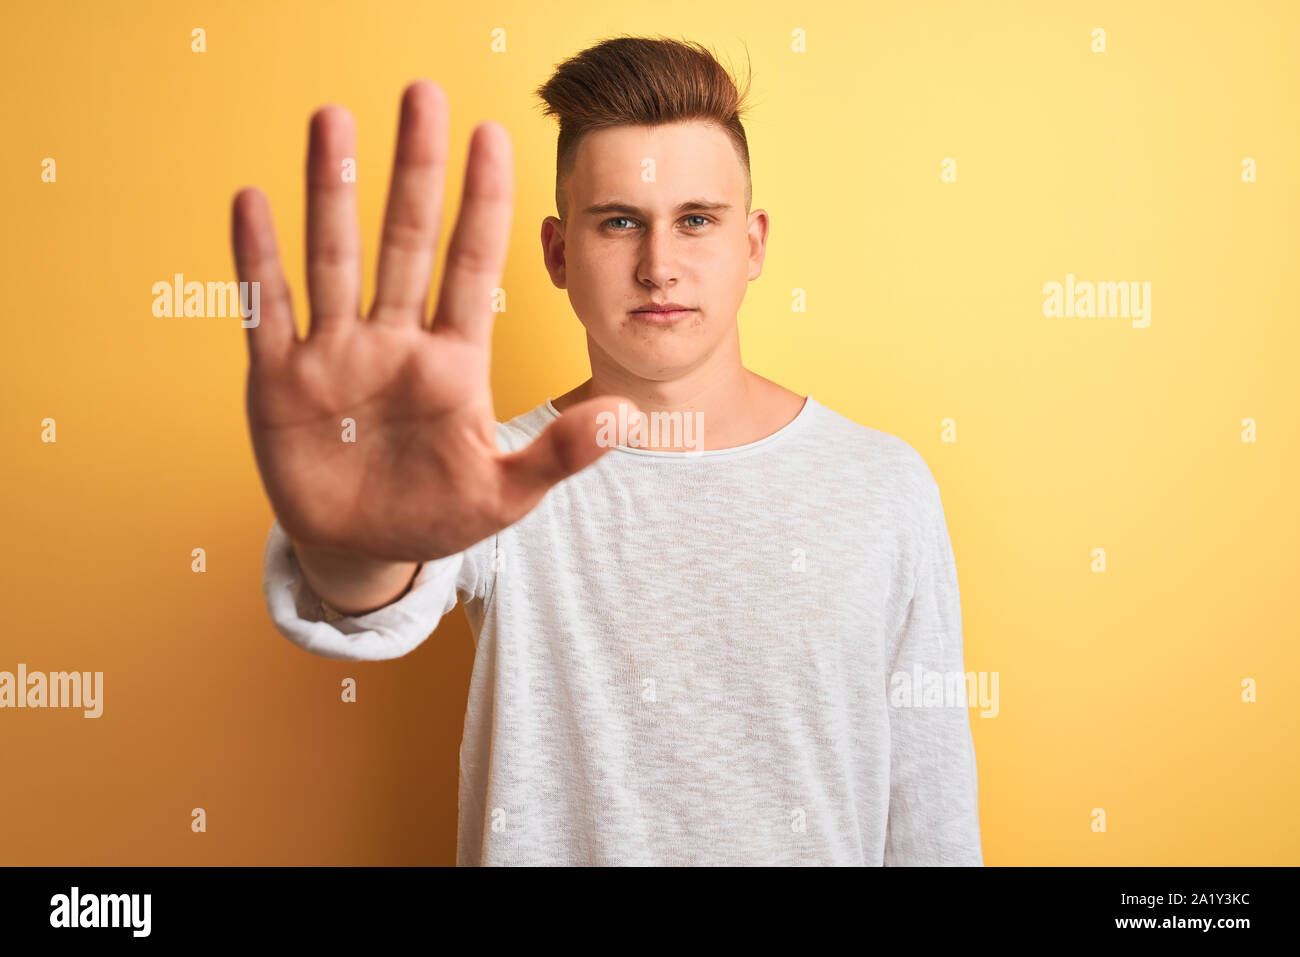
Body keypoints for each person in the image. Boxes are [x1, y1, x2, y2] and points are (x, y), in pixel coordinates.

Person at [233, 34, 984, 866]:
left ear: (754, 243)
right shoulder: (491, 474)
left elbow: (932, 815)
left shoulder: (884, 485)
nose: (659, 266)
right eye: (620, 222)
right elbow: (366, 601)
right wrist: (354, 538)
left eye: (696, 220)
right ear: (559, 252)